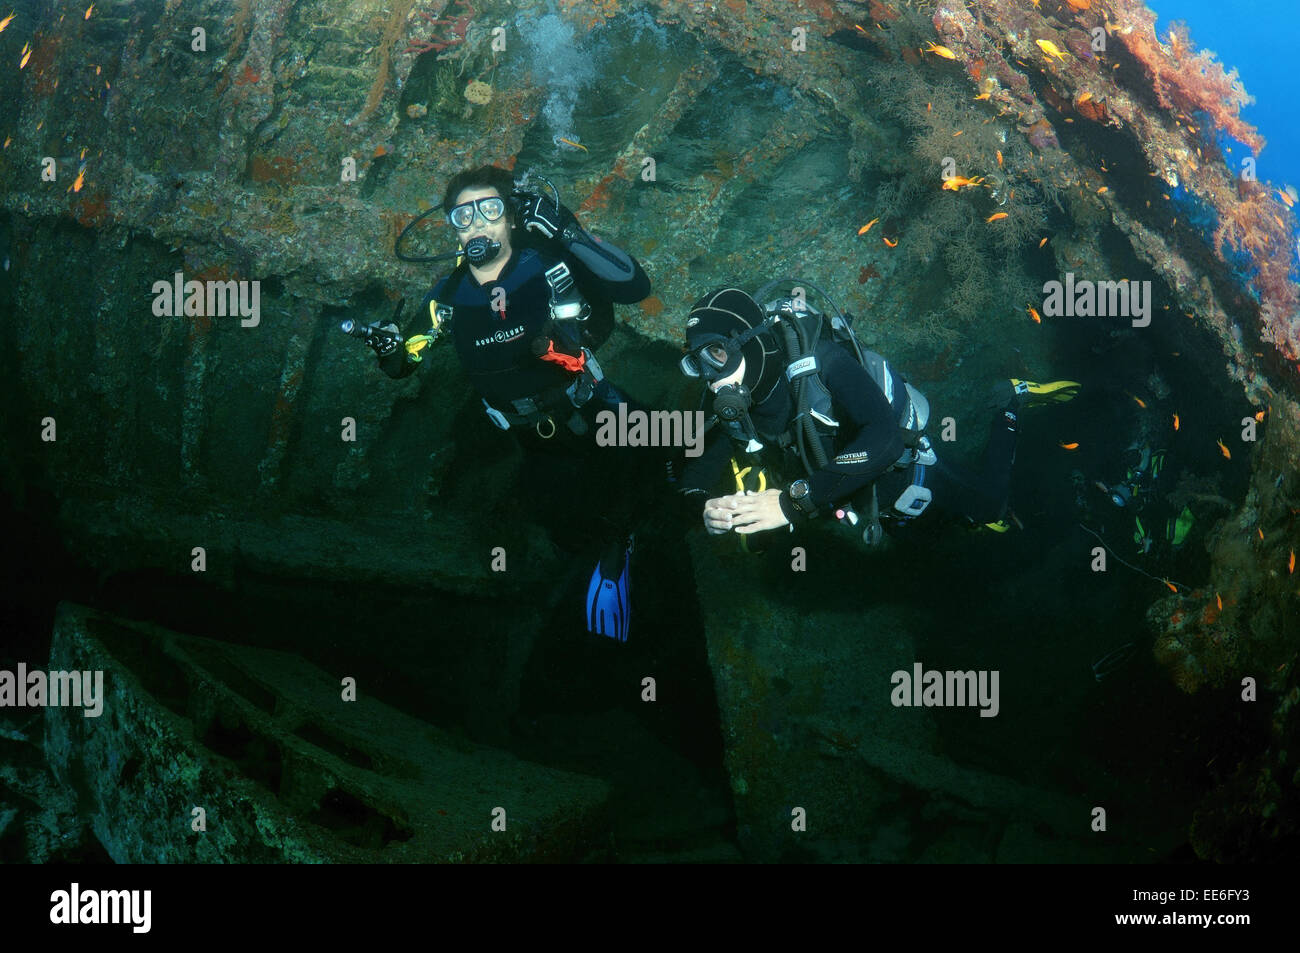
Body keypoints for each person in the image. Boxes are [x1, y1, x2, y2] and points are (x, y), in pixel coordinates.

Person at [358, 165, 654, 640]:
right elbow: (402, 367)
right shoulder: (448, 299)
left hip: (595, 408)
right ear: (452, 226)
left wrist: (569, 233)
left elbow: (635, 287)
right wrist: (390, 351)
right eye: (463, 215)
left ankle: (626, 543)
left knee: (655, 468)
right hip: (530, 439)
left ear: (511, 217)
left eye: (489, 209)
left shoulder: (550, 264)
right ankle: (596, 564)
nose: (476, 222)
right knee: (559, 526)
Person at [673, 286, 1080, 543]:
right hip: (860, 507)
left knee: (989, 505)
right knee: (949, 528)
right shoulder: (730, 402)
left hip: (909, 476)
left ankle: (1010, 403)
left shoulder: (823, 362)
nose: (710, 377)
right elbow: (693, 476)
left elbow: (883, 437)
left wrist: (793, 503)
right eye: (697, 363)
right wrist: (705, 510)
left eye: (718, 354)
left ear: (752, 342)